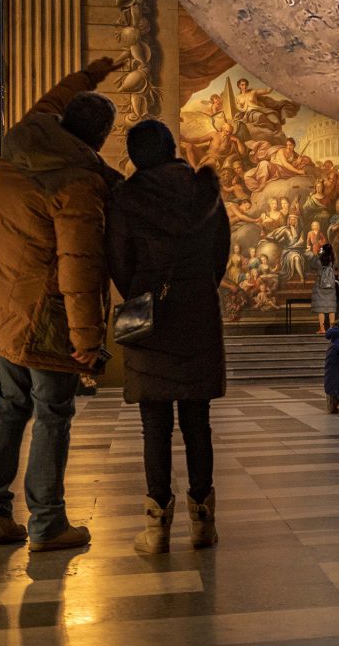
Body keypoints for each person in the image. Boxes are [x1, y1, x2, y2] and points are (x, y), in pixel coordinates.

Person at [0, 59, 120, 552]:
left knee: (10, 407)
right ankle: (48, 522)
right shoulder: (76, 183)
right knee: (53, 412)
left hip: (1, 306)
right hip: (43, 322)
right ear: (100, 139)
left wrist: (91, 73)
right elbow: (78, 271)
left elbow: (54, 98)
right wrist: (88, 343)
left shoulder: (25, 138)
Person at [106, 120, 230, 555]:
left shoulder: (126, 199)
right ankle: (203, 525)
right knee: (198, 424)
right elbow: (221, 257)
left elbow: (118, 262)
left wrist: (144, 294)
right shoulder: (205, 192)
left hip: (150, 321)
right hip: (198, 314)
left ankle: (157, 529)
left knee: (154, 428)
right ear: (173, 149)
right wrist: (195, 289)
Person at [310, 244, 339, 332]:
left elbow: (312, 265)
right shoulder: (333, 260)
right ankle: (331, 328)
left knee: (321, 308)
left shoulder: (319, 260)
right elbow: (337, 268)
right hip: (331, 285)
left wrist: (318, 254)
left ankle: (322, 329)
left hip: (320, 285)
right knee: (331, 308)